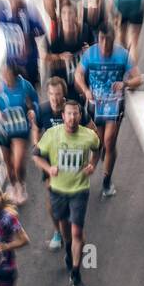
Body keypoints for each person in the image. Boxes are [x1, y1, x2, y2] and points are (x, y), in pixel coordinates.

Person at [32, 100, 100, 286]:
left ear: (80, 115)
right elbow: (36, 154)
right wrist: (48, 168)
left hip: (79, 190)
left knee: (78, 232)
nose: (72, 117)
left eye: (75, 114)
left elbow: (98, 148)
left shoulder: (89, 136)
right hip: (58, 191)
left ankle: (76, 273)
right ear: (63, 116)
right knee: (65, 231)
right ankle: (69, 251)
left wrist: (93, 165)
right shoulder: (52, 134)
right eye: (68, 114)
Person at [75, 24, 142, 199]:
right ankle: (97, 160)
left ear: (114, 40)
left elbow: (138, 79)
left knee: (109, 141)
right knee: (98, 142)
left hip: (114, 103)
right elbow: (78, 74)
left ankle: (107, 180)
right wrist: (85, 90)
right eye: (101, 41)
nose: (105, 46)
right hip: (95, 103)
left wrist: (125, 84)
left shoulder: (122, 55)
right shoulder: (91, 53)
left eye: (109, 42)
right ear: (98, 40)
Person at [34, 76, 95, 249]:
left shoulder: (73, 110)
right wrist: (36, 144)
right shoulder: (43, 109)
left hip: (74, 161)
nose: (54, 98)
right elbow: (36, 128)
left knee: (74, 197)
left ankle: (75, 227)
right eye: (51, 94)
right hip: (52, 162)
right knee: (52, 200)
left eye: (58, 94)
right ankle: (58, 232)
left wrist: (89, 160)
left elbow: (92, 130)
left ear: (64, 94)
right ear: (47, 94)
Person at [0, 62, 38, 203]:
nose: (4, 76)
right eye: (3, 73)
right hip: (4, 131)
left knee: (18, 163)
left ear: (14, 73)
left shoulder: (24, 86)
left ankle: (21, 184)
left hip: (20, 130)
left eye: (7, 73)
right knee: (8, 163)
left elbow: (34, 101)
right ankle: (13, 185)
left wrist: (32, 110)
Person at [0, 0, 45, 89]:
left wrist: (29, 37)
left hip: (29, 62)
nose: (13, 2)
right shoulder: (1, 9)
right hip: (11, 61)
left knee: (31, 88)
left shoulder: (30, 11)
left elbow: (41, 30)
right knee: (11, 88)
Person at [43, 0, 86, 102]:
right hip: (61, 82)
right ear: (60, 17)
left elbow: (94, 49)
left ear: (76, 16)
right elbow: (44, 57)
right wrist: (59, 57)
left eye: (70, 13)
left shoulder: (84, 31)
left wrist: (88, 50)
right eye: (64, 13)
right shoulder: (54, 36)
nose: (67, 17)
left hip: (78, 80)